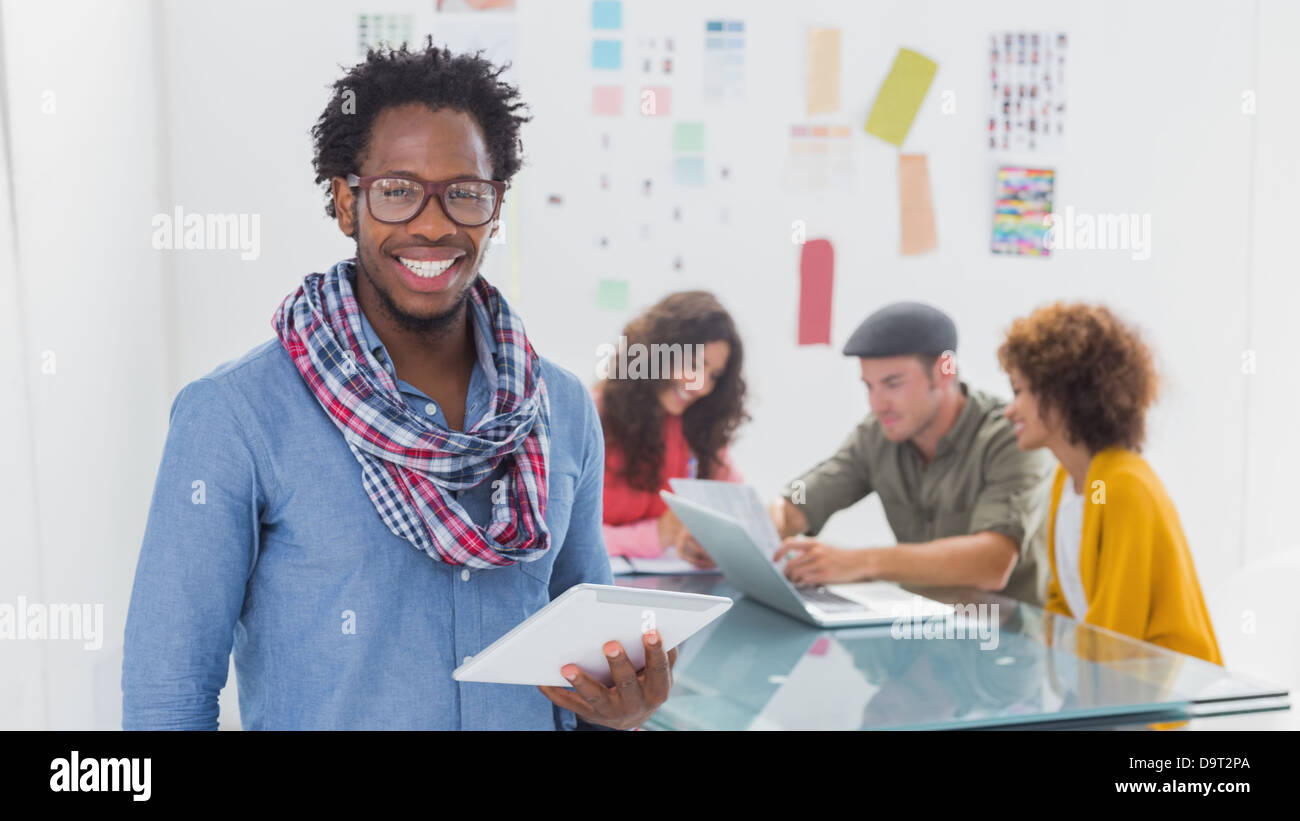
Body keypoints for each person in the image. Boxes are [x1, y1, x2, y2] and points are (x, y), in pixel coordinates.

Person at [122, 40, 674, 731]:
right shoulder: (234, 417)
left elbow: (588, 667)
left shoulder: (559, 409)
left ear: (495, 208)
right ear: (346, 202)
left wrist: (619, 710)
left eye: (465, 194)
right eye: (398, 190)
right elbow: (165, 703)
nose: (434, 223)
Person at [769, 301, 1053, 603]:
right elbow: (803, 498)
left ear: (945, 371)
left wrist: (860, 562)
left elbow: (992, 563)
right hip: (919, 630)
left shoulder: (1009, 436)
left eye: (893, 384)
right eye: (869, 387)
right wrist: (773, 518)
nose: (878, 404)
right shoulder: (877, 434)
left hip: (1006, 636)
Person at [997, 302, 1221, 663]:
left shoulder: (1124, 486)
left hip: (1158, 699)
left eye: (1019, 391)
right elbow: (1062, 603)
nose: (1010, 409)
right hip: (1102, 688)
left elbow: (1117, 632)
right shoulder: (1067, 481)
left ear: (1061, 395)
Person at [595, 291, 749, 568]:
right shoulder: (591, 417)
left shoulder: (697, 429)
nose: (701, 387)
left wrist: (709, 543)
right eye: (692, 364)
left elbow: (741, 510)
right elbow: (559, 537)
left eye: (714, 375)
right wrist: (655, 535)